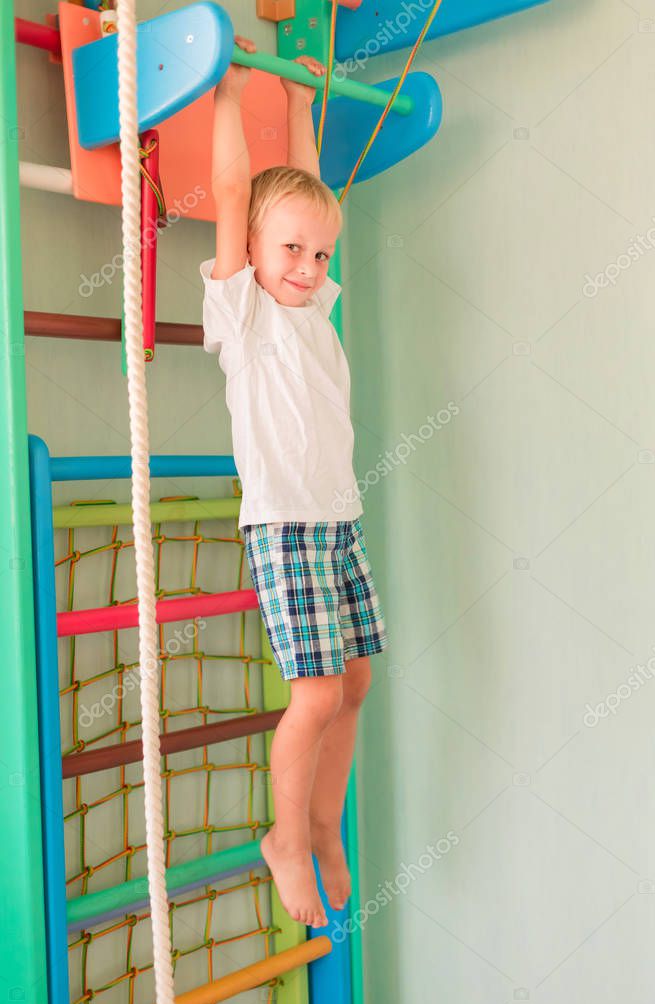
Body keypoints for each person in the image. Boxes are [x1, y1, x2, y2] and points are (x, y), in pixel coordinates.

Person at [199, 35, 388, 930]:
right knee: (313, 692)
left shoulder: (313, 307)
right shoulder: (243, 309)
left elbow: (308, 195)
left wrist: (303, 104)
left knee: (354, 681)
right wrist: (231, 94)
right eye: (291, 251)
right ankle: (285, 836)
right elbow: (237, 191)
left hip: (338, 519)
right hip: (283, 523)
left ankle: (321, 820)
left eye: (319, 255)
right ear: (251, 248)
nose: (307, 268)